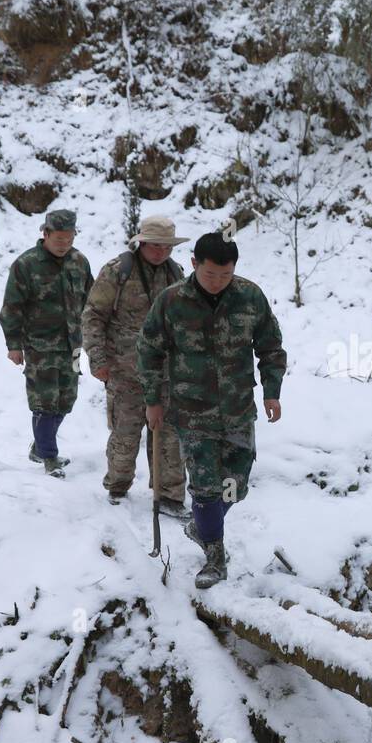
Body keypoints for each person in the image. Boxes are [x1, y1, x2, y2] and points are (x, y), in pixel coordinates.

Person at [137, 231, 287, 588]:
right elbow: (149, 351)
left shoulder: (250, 297)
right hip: (192, 412)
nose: (218, 282)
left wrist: (272, 391)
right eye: (210, 275)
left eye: (226, 275)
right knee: (205, 487)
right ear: (194, 265)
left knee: (236, 484)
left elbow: (270, 346)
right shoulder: (172, 301)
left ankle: (201, 525)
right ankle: (214, 557)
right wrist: (153, 400)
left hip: (238, 408)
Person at [82, 215, 190, 510]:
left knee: (169, 439)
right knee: (125, 434)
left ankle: (170, 496)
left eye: (166, 247)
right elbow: (93, 315)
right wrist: (98, 358)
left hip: (166, 373)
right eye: (155, 246)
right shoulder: (118, 271)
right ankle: (117, 487)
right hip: (124, 371)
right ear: (140, 242)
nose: (161, 252)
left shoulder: (176, 273)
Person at [0, 208, 93, 478]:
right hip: (40, 345)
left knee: (66, 400)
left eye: (69, 238)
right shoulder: (26, 264)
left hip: (73, 344)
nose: (65, 244)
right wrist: (14, 345)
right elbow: (11, 307)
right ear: (46, 233)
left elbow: (92, 299)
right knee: (44, 401)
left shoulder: (79, 262)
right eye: (59, 239)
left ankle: (40, 446)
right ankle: (49, 457)